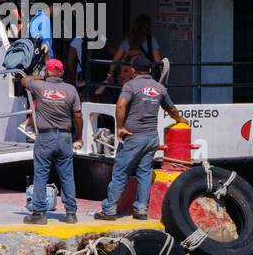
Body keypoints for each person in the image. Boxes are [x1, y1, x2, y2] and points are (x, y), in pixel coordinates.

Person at [95, 55, 185, 221]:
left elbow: (121, 104)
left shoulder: (131, 85)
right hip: (151, 138)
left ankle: (109, 210)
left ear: (133, 70)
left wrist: (119, 128)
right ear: (150, 70)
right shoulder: (159, 88)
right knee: (144, 173)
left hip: (133, 138)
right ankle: (141, 210)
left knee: (120, 173)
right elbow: (171, 109)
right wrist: (181, 121)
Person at [21, 58, 82, 225]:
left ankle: (39, 213)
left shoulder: (39, 86)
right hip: (64, 136)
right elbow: (77, 115)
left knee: (40, 174)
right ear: (62, 72)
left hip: (45, 137)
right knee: (67, 175)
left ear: (46, 72)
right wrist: (79, 137)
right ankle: (71, 213)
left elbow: (23, 80)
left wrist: (42, 77)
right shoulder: (71, 90)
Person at [95, 14, 162, 96]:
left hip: (128, 78)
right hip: (144, 77)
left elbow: (115, 60)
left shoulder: (127, 41)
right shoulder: (151, 40)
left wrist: (110, 75)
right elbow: (157, 61)